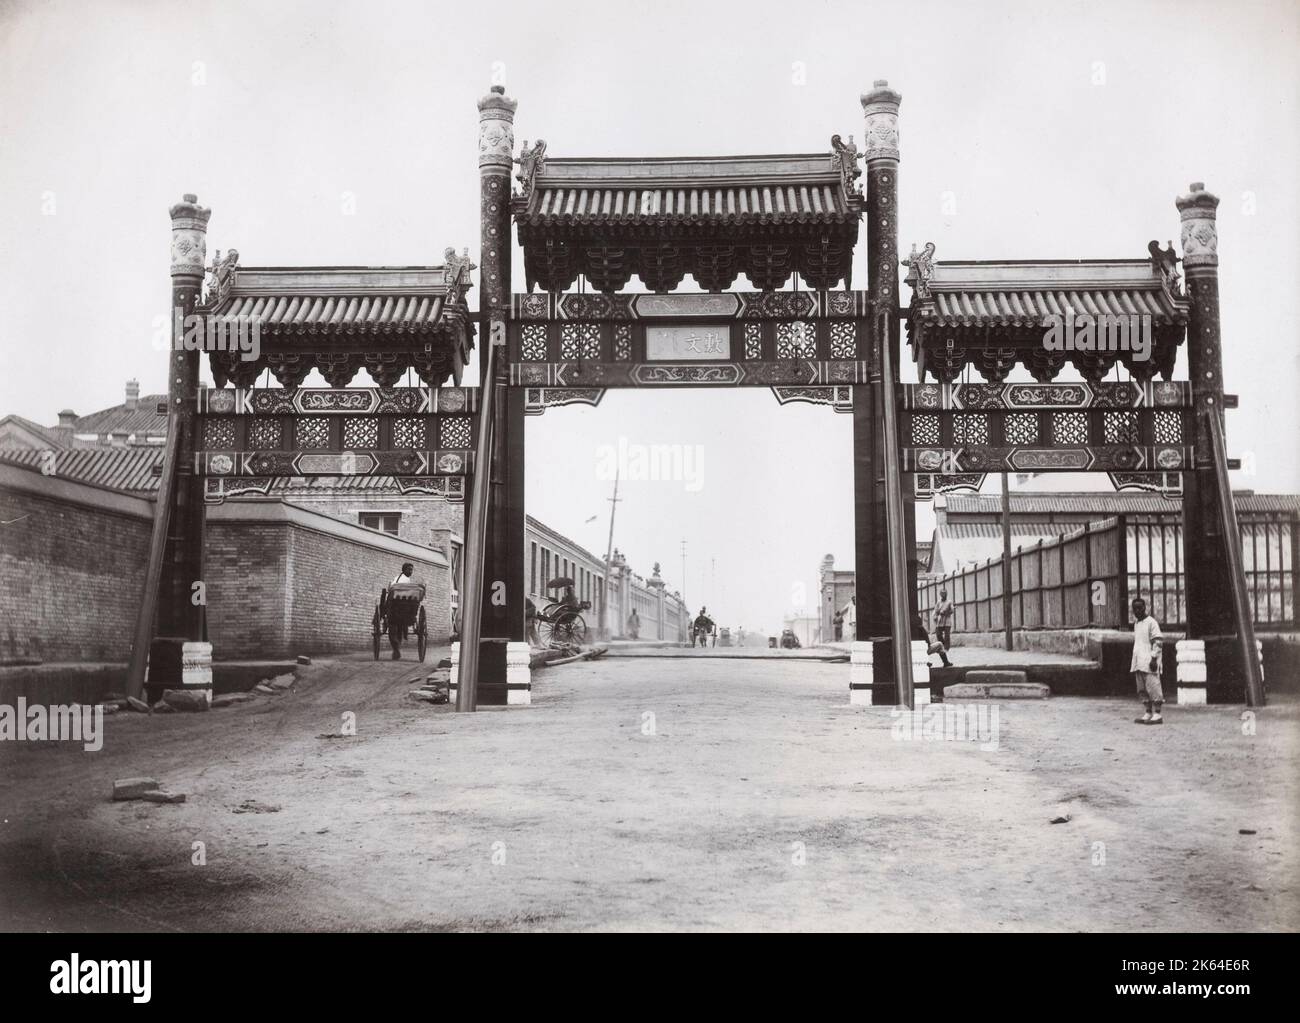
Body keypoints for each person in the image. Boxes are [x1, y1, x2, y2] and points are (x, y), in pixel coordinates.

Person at [1131, 597, 1165, 725]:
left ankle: (1157, 713)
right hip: (1139, 660)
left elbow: (1158, 641)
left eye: (1140, 608)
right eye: (1135, 608)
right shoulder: (1136, 624)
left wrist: (1154, 658)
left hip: (1149, 660)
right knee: (1142, 688)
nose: (1137, 611)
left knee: (1153, 686)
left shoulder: (1152, 622)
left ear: (1145, 608)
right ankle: (1148, 712)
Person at [932, 589, 954, 653]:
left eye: (945, 594)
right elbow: (936, 610)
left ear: (946, 594)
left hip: (947, 621)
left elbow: (952, 610)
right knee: (938, 634)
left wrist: (946, 612)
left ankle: (946, 648)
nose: (943, 595)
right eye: (942, 594)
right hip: (940, 621)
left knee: (947, 635)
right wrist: (939, 612)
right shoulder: (938, 602)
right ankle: (942, 646)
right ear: (940, 594)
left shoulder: (949, 602)